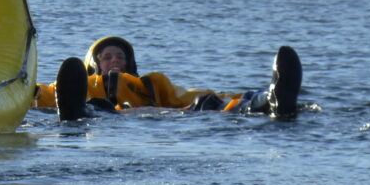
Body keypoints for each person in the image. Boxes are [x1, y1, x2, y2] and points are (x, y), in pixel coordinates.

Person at [34, 36, 302, 122]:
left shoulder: (149, 83)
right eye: (107, 57)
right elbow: (36, 94)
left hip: (152, 117)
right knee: (98, 108)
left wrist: (243, 97)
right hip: (99, 113)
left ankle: (269, 101)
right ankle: (76, 112)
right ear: (95, 63)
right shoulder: (79, 84)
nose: (115, 60)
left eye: (120, 56)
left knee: (206, 102)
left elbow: (184, 97)